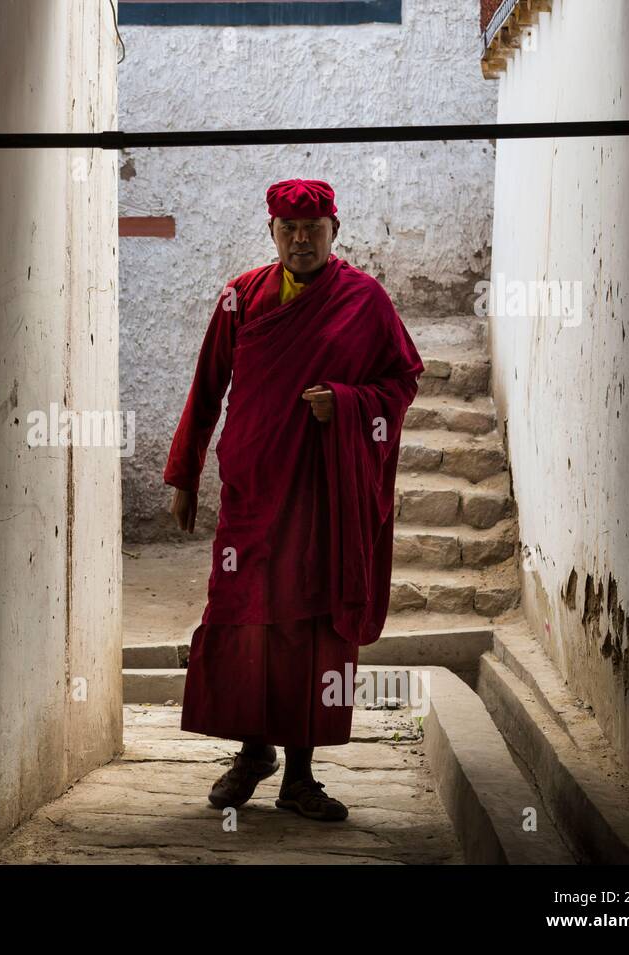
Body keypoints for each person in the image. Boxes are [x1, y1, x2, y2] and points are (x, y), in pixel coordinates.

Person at [164, 178, 424, 821]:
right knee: (246, 618)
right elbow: (207, 386)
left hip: (321, 495)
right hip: (251, 493)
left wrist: (346, 401)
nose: (300, 240)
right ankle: (254, 752)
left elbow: (401, 380)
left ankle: (301, 776)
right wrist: (185, 471)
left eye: (313, 229)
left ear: (335, 230)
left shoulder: (365, 301)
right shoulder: (241, 297)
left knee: (312, 625)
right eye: (288, 228)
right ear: (272, 231)